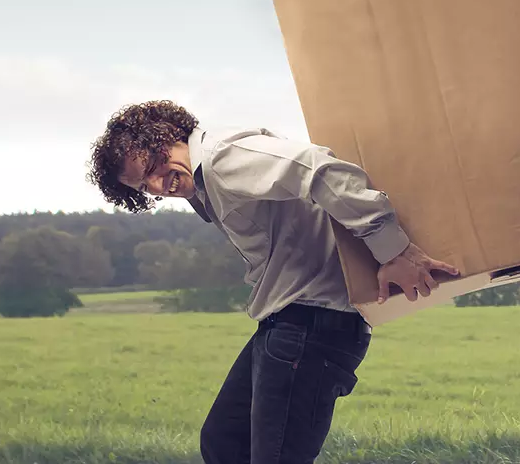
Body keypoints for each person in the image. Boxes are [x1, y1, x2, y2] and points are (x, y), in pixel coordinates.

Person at [86, 100, 459, 464]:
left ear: (167, 137)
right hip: (285, 323)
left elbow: (319, 170)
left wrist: (392, 251)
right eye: (143, 187)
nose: (157, 184)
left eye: (153, 165)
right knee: (224, 442)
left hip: (313, 324)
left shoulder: (223, 157)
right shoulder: (206, 182)